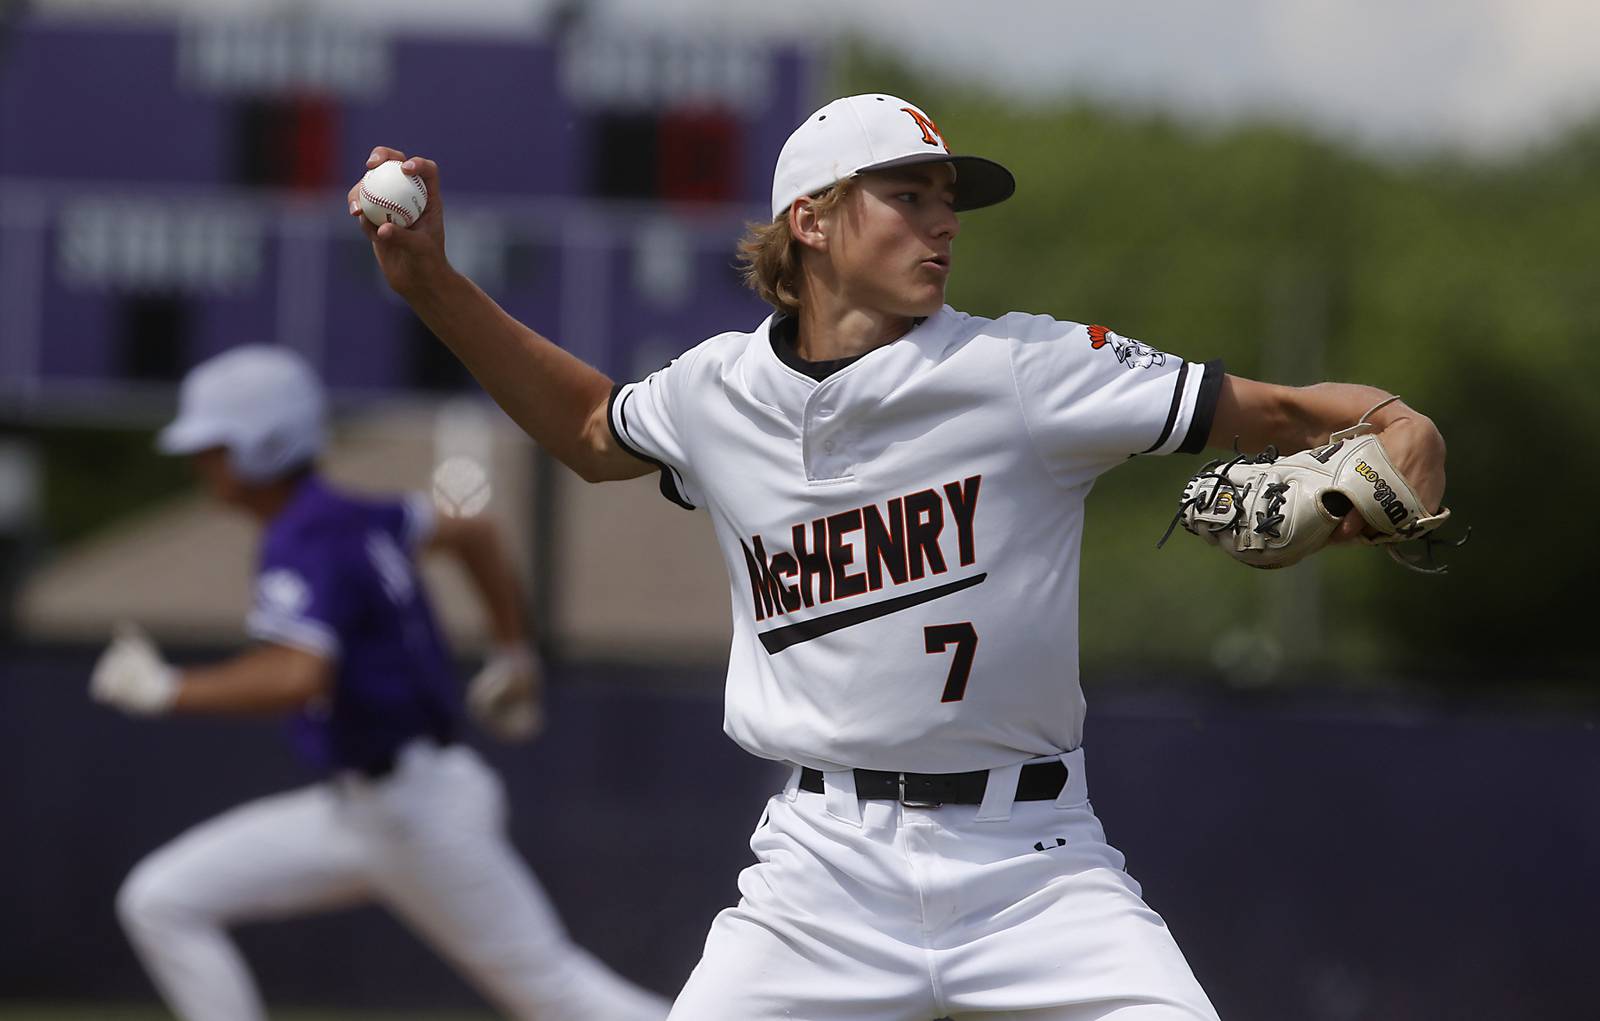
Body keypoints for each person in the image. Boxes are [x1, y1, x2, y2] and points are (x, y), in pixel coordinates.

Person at [349, 94, 1447, 1020]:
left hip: (1034, 864)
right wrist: (430, 284)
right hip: (819, 868)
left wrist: (1407, 429)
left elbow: (1290, 411)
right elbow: (592, 432)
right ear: (812, 220)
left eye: (947, 199)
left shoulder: (1025, 369)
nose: (943, 222)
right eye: (907, 195)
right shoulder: (715, 391)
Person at [89, 345, 670, 1021]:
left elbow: (299, 674)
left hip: (416, 812)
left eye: (214, 446)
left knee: (554, 992)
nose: (200, 462)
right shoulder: (359, 516)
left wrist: (167, 689)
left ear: (263, 443)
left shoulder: (303, 536)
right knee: (161, 899)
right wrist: (515, 656)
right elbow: (475, 534)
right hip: (364, 806)